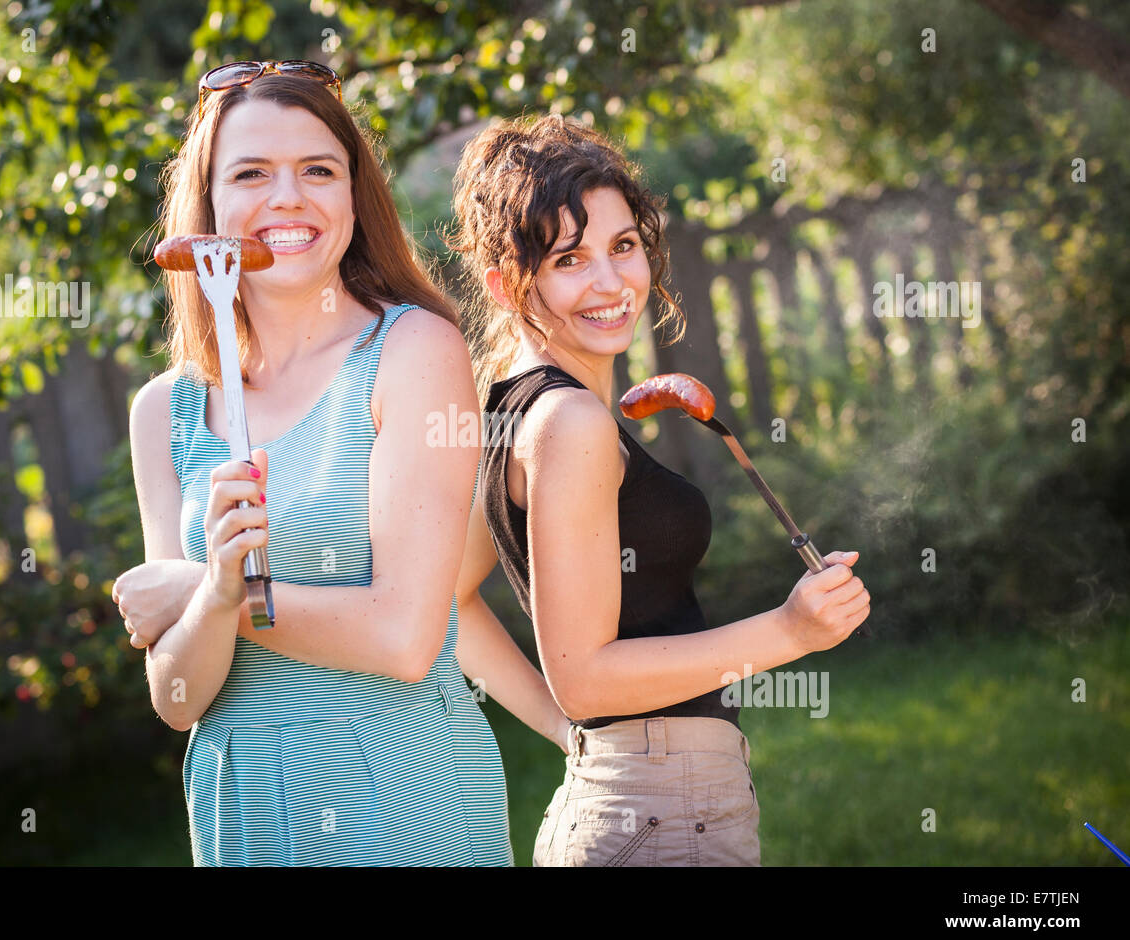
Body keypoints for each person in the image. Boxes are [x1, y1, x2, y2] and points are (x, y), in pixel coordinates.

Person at [111, 62, 544, 866]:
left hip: (397, 787)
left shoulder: (410, 352)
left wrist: (217, 597)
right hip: (241, 800)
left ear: (354, 196)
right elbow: (177, 700)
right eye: (251, 173)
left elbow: (405, 638)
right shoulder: (163, 412)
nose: (289, 198)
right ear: (206, 206)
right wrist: (210, 600)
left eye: (319, 170)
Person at [447, 114, 871, 866]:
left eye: (623, 246)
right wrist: (789, 633)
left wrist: (570, 735)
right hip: (664, 820)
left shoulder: (514, 408)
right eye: (570, 259)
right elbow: (582, 678)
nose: (611, 283)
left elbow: (451, 597)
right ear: (507, 286)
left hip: (624, 802)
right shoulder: (569, 420)